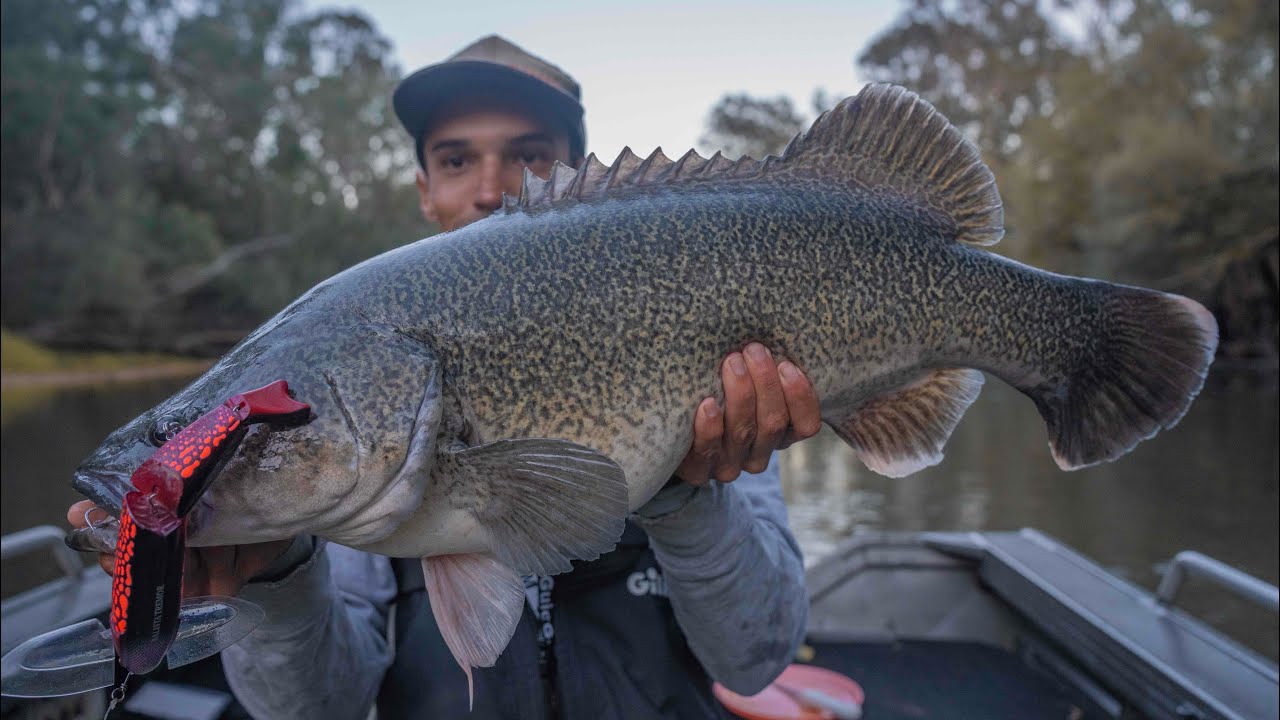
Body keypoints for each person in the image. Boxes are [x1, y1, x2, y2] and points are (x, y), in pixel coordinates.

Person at [69, 35, 820, 719]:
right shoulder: (359, 399)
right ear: (425, 188)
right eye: (457, 160)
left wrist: (688, 492)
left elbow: (754, 664)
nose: (490, 188)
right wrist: (277, 584)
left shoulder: (689, 321)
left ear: (578, 178)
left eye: (528, 155)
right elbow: (313, 711)